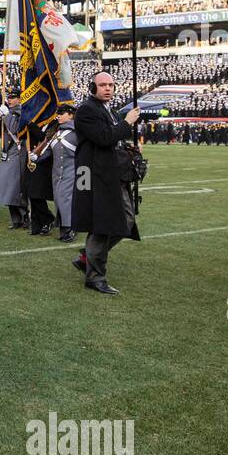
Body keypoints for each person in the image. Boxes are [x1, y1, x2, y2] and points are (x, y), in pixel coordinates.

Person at [72, 71, 141, 295]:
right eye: (102, 85)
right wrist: (127, 123)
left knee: (125, 220)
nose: (108, 88)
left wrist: (127, 146)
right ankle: (95, 276)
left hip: (111, 173)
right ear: (92, 87)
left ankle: (88, 257)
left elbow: (112, 138)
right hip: (96, 175)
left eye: (111, 84)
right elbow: (103, 137)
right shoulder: (86, 110)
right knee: (102, 224)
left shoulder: (105, 108)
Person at [0, 89, 27, 229]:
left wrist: (6, 115)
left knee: (15, 188)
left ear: (19, 99)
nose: (10, 100)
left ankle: (24, 217)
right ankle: (15, 219)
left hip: (17, 152)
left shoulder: (21, 113)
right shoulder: (7, 112)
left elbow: (15, 129)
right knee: (6, 186)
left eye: (13, 97)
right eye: (9, 97)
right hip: (6, 154)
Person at [51, 105, 79, 243]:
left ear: (71, 115)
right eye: (58, 113)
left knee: (65, 199)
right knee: (58, 200)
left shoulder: (77, 132)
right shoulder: (56, 132)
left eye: (62, 113)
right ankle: (65, 229)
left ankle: (69, 229)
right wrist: (36, 157)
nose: (59, 116)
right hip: (57, 173)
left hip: (72, 171)